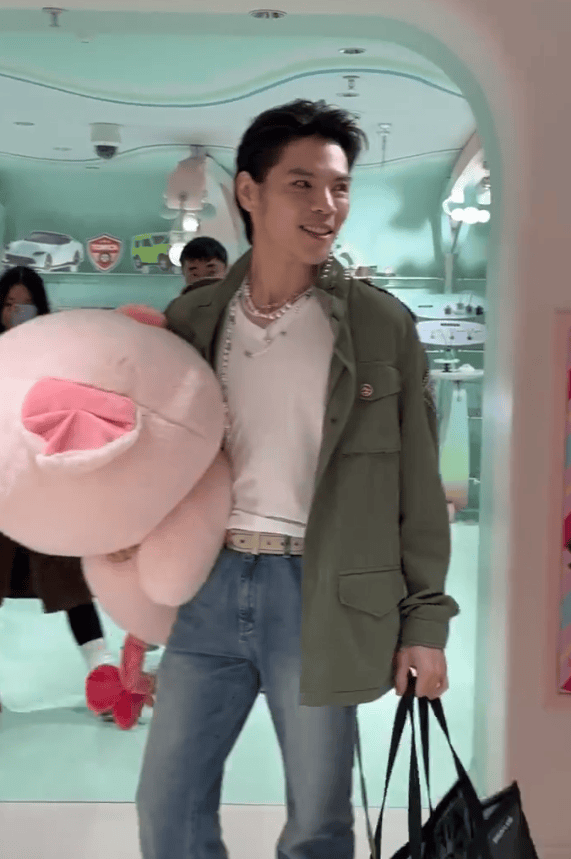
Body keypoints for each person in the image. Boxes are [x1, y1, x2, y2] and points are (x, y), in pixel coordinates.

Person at [132, 100, 460, 859]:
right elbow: (159, 464)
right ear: (249, 192)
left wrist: (424, 624)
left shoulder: (379, 326)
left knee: (318, 823)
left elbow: (417, 484)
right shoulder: (195, 318)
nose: (326, 206)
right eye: (302, 184)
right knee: (166, 806)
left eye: (339, 187)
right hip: (208, 586)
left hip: (322, 591)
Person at [0, 266, 113, 714]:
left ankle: (105, 679)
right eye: (9, 304)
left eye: (25, 305)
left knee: (70, 581)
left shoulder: (56, 354)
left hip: (46, 483)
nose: (16, 313)